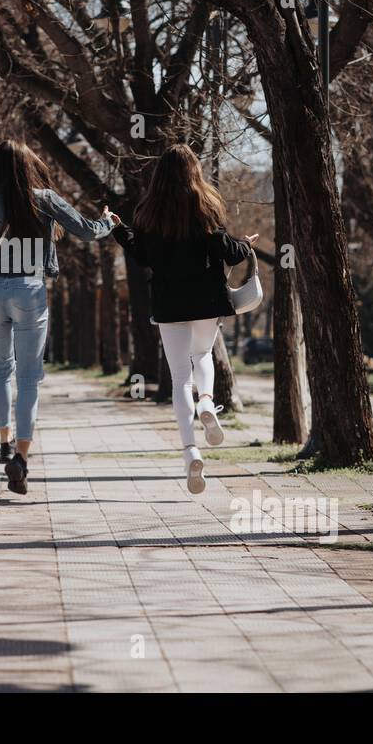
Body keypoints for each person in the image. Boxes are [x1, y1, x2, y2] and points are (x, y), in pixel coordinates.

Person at [0, 140, 115, 495]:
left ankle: (4, 439)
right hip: (29, 289)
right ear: (31, 167)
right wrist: (107, 222)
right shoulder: (44, 198)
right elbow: (87, 231)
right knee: (28, 377)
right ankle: (22, 459)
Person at [111, 144, 258, 495]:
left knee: (179, 379)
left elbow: (142, 255)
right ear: (195, 171)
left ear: (160, 174)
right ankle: (207, 402)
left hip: (169, 303)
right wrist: (246, 244)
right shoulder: (206, 205)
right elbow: (227, 250)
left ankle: (190, 450)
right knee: (203, 355)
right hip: (206, 300)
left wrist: (119, 229)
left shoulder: (149, 211)